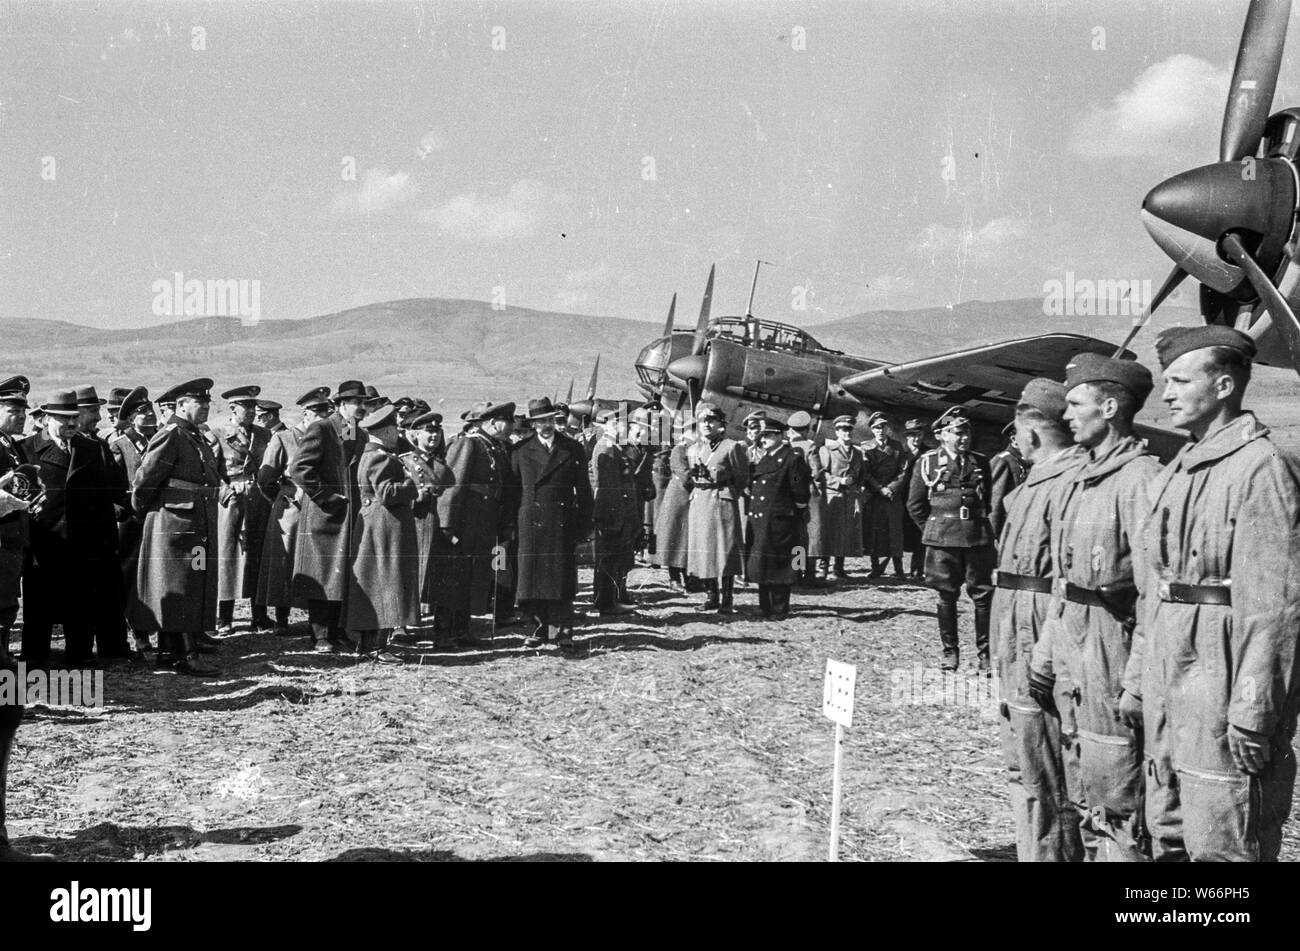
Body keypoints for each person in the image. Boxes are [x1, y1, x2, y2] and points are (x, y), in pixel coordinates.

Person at [1120, 326, 1300, 862]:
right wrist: (1136, 679)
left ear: (1224, 385)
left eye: (1179, 380)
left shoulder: (1260, 468)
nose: (1166, 394)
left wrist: (1253, 707)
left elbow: (1276, 607)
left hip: (1221, 676)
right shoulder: (1177, 470)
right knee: (1168, 824)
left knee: (1224, 837)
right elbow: (1153, 589)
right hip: (1169, 670)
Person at [1028, 353, 1158, 862]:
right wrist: (1046, 650)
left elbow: (1154, 589)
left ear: (1108, 407)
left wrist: (1138, 677)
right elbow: (1063, 580)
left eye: (1075, 404)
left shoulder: (1141, 478)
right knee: (1080, 785)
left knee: (1118, 796)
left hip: (1112, 644)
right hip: (1071, 641)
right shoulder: (1082, 478)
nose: (1065, 416)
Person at [991, 378, 1085, 863]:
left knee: (1045, 768)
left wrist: (1044, 653)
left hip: (1036, 637)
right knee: (1025, 765)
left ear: (1029, 435)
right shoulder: (1034, 481)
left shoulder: (1068, 482)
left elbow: (1067, 579)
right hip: (1016, 634)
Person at [21, 390, 132, 668]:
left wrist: (105, 540)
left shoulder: (90, 448)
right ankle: (34, 659)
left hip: (84, 543)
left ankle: (79, 655)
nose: (71, 425)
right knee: (39, 606)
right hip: (44, 541)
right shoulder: (27, 448)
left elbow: (102, 497)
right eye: (63, 419)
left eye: (74, 418)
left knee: (80, 603)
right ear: (47, 419)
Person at [131, 378, 226, 676]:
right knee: (179, 584)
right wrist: (151, 517)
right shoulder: (171, 435)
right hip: (175, 525)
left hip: (196, 523)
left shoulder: (193, 435)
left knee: (193, 581)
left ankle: (177, 648)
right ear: (182, 405)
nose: (206, 407)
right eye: (200, 403)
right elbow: (144, 482)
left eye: (208, 403)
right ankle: (184, 653)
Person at [906, 407, 994, 671]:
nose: (964, 437)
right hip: (942, 539)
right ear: (942, 435)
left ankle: (985, 655)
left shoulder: (981, 461)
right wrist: (933, 531)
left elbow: (987, 500)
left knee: (983, 596)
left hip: (976, 537)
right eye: (957, 432)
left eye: (966, 431)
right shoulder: (928, 461)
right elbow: (915, 504)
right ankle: (950, 652)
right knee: (946, 596)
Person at [344, 404, 426, 663]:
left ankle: (372, 644)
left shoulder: (369, 455)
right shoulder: (381, 457)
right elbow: (388, 493)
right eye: (395, 429)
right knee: (386, 584)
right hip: (385, 528)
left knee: (375, 584)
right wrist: (413, 486)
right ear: (388, 430)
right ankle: (377, 647)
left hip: (375, 526)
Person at [290, 379, 367, 653]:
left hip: (349, 516)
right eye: (356, 402)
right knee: (323, 573)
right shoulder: (321, 429)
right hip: (324, 515)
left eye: (363, 403)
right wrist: (326, 497)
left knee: (342, 574)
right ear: (341, 404)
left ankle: (337, 631)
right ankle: (320, 635)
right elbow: (299, 469)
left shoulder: (361, 435)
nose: (361, 408)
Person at [511, 397, 593, 651]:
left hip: (562, 523)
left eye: (550, 420)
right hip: (531, 524)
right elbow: (512, 493)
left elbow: (584, 490)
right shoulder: (520, 451)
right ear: (533, 424)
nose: (546, 426)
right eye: (540, 422)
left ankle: (563, 630)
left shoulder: (572, 449)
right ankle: (536, 628)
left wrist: (584, 525)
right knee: (531, 578)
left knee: (561, 578)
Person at [432, 400, 515, 648]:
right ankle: (444, 633)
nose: (511, 426)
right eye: (507, 421)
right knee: (454, 578)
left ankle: (461, 629)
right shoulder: (468, 443)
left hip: (482, 522)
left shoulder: (494, 446)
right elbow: (453, 485)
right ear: (492, 422)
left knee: (473, 577)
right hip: (464, 523)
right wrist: (447, 524)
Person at [256, 387, 327, 636]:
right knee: (283, 562)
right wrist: (281, 498)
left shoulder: (328, 437)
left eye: (325, 412)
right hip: (291, 510)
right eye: (317, 413)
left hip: (319, 509)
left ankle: (316, 622)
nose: (322, 418)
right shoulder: (284, 438)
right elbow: (265, 477)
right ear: (305, 414)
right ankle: (282, 618)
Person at [214, 385, 273, 634]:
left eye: (253, 407)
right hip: (232, 504)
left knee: (257, 556)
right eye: (245, 407)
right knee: (227, 558)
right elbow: (211, 471)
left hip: (257, 501)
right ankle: (224, 617)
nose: (250, 411)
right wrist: (226, 493)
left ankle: (258, 616)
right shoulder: (217, 435)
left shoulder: (263, 434)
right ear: (232, 408)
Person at [685, 402, 748, 614]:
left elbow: (741, 477)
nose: (706, 425)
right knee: (705, 549)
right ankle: (711, 596)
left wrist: (728, 493)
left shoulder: (732, 446)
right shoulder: (694, 449)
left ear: (722, 424)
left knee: (725, 549)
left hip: (721, 501)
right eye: (702, 421)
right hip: (700, 502)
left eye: (711, 421)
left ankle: (727, 598)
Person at [746, 416, 811, 619]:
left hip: (780, 521)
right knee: (763, 563)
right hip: (762, 521)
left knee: (780, 565)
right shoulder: (765, 458)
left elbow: (800, 493)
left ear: (779, 435)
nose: (762, 439)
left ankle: (779, 608)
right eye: (761, 435)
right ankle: (765, 606)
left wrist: (794, 511)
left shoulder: (792, 458)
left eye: (767, 435)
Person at [108, 387, 155, 654]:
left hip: (156, 519)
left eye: (151, 411)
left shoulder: (159, 440)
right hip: (132, 522)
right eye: (142, 412)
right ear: (131, 418)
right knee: (132, 577)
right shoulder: (120, 446)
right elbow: (116, 487)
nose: (149, 416)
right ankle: (139, 633)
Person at [589, 407, 640, 616]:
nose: (626, 428)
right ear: (611, 425)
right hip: (611, 514)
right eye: (623, 425)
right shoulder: (608, 448)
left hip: (614, 513)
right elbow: (609, 488)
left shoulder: (612, 447)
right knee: (608, 560)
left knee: (611, 559)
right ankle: (606, 604)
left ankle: (606, 601)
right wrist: (616, 517)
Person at [0, 376, 32, 659]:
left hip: (12, 537)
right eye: (13, 411)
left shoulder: (12, 445)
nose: (21, 416)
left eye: (23, 411)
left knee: (8, 604)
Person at [815, 415, 864, 579]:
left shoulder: (857, 453)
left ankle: (839, 567)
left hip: (849, 497)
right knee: (828, 531)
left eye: (849, 429)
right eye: (843, 429)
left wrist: (857, 487)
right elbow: (821, 474)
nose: (847, 432)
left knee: (844, 532)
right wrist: (839, 481)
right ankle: (823, 567)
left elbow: (861, 475)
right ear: (836, 431)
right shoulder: (827, 450)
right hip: (833, 496)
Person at [861, 412, 908, 578]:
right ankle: (875, 567)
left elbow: (903, 471)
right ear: (872, 430)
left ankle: (899, 569)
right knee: (874, 531)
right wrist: (879, 488)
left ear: (887, 428)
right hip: (875, 495)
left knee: (895, 531)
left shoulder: (897, 446)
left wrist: (892, 488)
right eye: (876, 427)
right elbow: (865, 473)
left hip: (892, 496)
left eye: (882, 426)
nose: (880, 430)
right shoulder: (865, 447)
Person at [785, 411, 827, 588]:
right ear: (807, 429)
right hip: (810, 495)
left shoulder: (785, 446)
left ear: (791, 430)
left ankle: (795, 572)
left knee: (796, 536)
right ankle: (809, 575)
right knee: (812, 536)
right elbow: (816, 473)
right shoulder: (810, 447)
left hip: (791, 494)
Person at [652, 416, 694, 589]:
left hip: (688, 501)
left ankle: (688, 578)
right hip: (678, 500)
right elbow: (685, 475)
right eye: (693, 430)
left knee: (685, 541)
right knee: (674, 539)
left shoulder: (696, 450)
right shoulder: (679, 450)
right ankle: (674, 578)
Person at [989, 421, 1029, 539]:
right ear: (1014, 439)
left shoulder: (1027, 461)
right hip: (1007, 529)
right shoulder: (1004, 461)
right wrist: (994, 536)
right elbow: (994, 502)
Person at [900, 419, 928, 579]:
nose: (916, 439)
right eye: (912, 435)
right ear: (907, 437)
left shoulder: (930, 453)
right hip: (901, 499)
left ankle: (917, 570)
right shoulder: (900, 453)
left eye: (919, 435)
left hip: (920, 500)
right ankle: (890, 569)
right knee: (896, 534)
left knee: (919, 536)